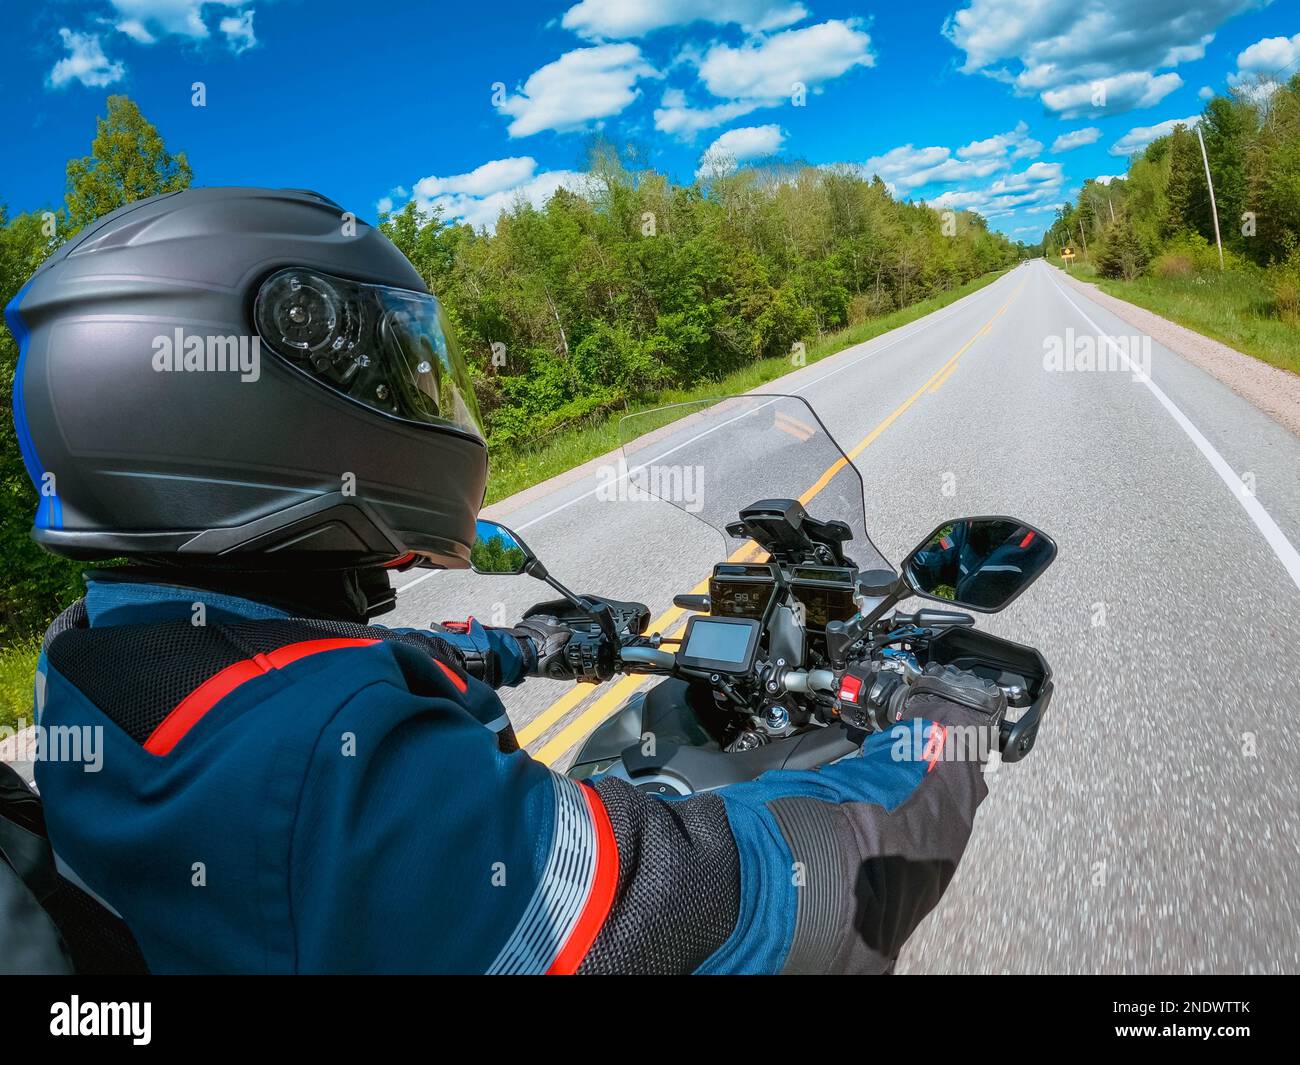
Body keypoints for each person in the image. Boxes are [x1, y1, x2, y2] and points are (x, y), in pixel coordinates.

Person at [7, 188, 1003, 975]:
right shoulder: (326, 776)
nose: (427, 398)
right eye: (399, 373)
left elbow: (289, 671)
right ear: (252, 411)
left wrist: (523, 645)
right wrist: (940, 734)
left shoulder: (102, 652)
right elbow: (718, 909)